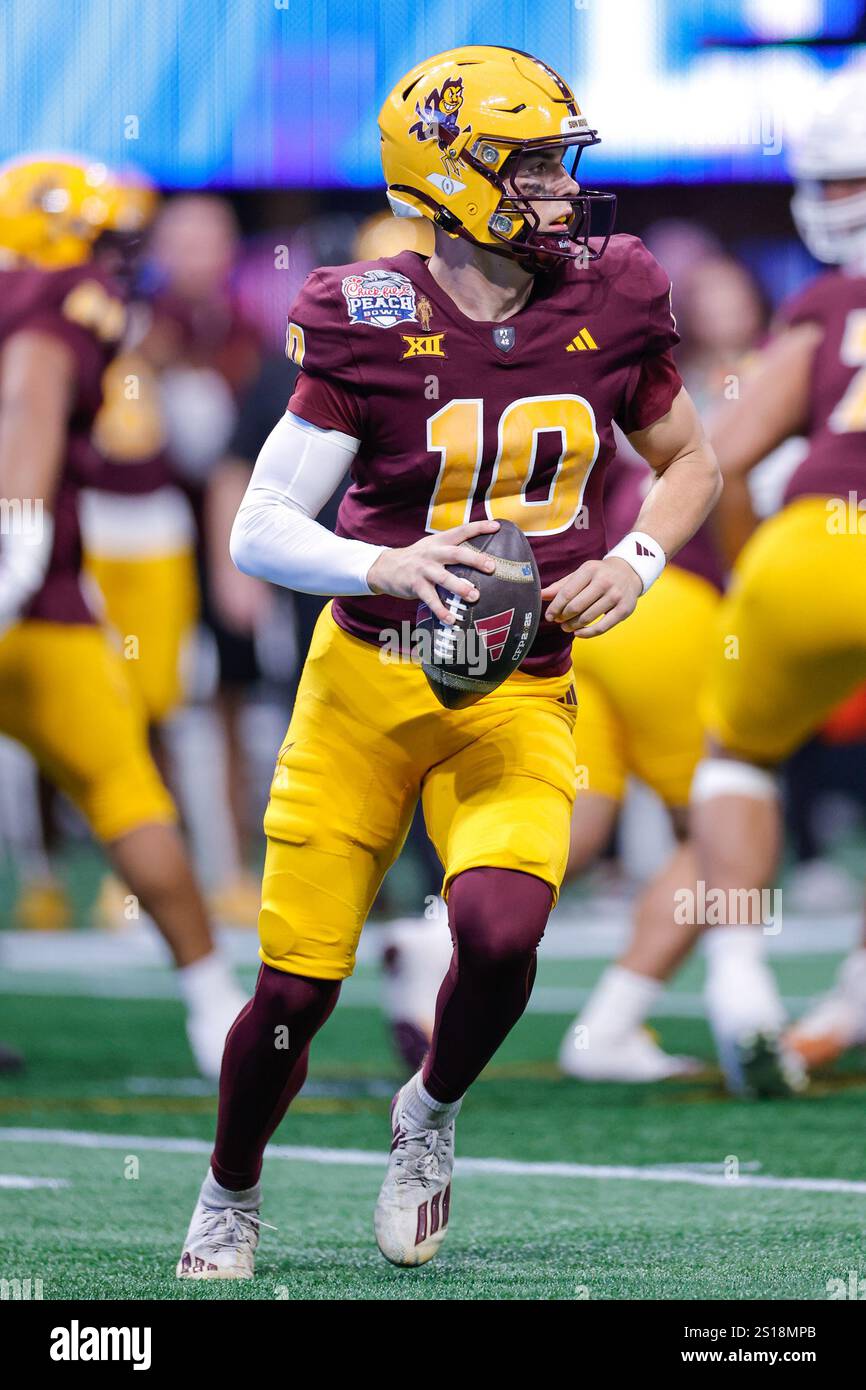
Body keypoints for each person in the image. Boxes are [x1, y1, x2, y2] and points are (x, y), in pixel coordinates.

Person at [176, 45, 720, 1279]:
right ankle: (230, 1188)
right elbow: (260, 526)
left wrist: (631, 559)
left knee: (500, 927)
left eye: (554, 163)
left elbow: (692, 462)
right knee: (294, 998)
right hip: (367, 683)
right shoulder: (367, 314)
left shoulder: (613, 291)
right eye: (526, 166)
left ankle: (425, 1113)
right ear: (445, 177)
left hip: (518, 683)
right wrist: (386, 565)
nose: (556, 191)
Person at [0, 155, 245, 1076]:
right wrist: (17, 546)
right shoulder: (57, 300)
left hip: (41, 595)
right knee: (125, 793)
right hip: (38, 603)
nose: (113, 263)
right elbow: (27, 396)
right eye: (101, 242)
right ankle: (213, 1008)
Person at [690, 68, 866, 1095]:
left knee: (736, 759)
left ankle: (738, 977)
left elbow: (720, 450)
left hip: (808, 543)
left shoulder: (825, 302)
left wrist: (755, 560)